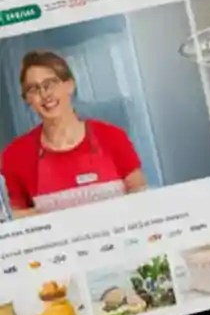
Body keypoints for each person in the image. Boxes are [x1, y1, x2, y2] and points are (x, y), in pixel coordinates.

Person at [1, 50, 146, 217]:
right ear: (27, 99)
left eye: (50, 83)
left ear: (69, 85)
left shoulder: (112, 136)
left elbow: (140, 198)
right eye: (33, 89)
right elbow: (15, 221)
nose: (44, 94)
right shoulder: (15, 155)